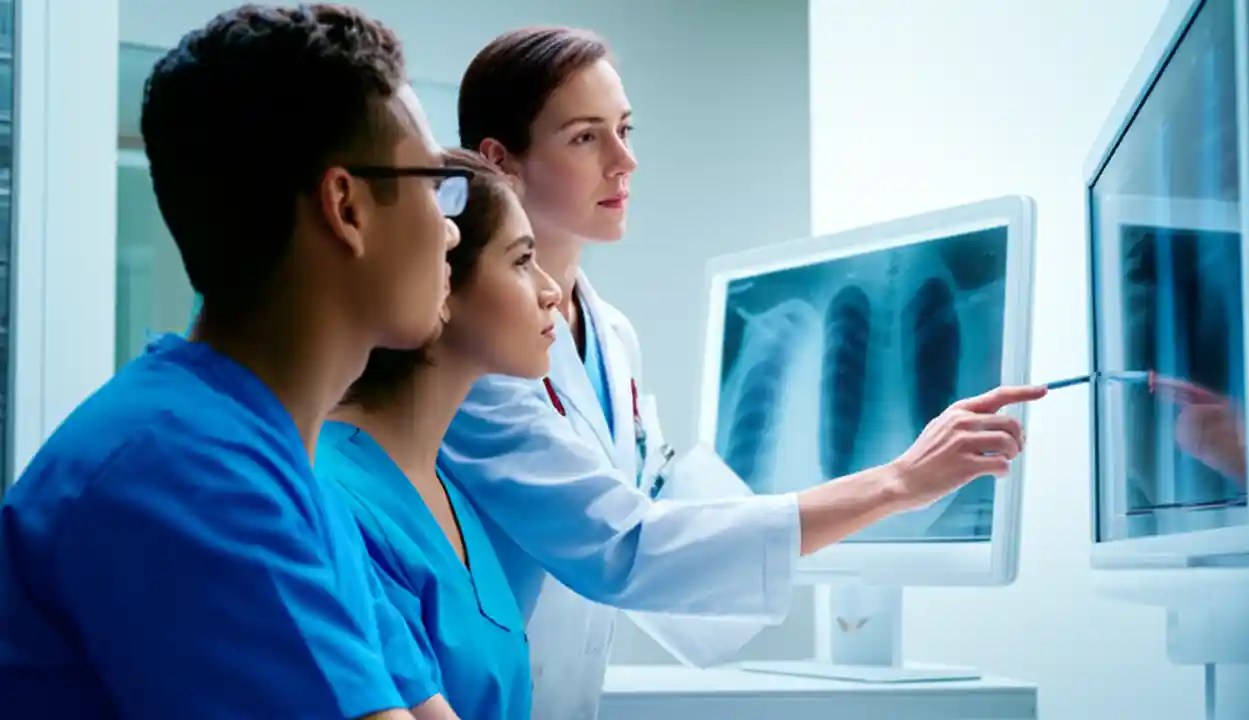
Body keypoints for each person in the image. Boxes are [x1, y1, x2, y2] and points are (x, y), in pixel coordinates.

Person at [441, 25, 1048, 719]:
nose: (625, 161)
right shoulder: (473, 352)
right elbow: (624, 546)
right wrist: (897, 483)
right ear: (500, 161)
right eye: (586, 137)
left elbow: (654, 501)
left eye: (625, 130)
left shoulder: (611, 334)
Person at [0, 5, 470, 718]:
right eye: (434, 185)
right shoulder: (179, 475)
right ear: (346, 207)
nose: (451, 229)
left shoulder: (289, 480)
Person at [316, 149, 561, 720]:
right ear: (441, 275)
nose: (550, 290)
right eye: (523, 261)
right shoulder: (333, 495)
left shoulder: (445, 486)